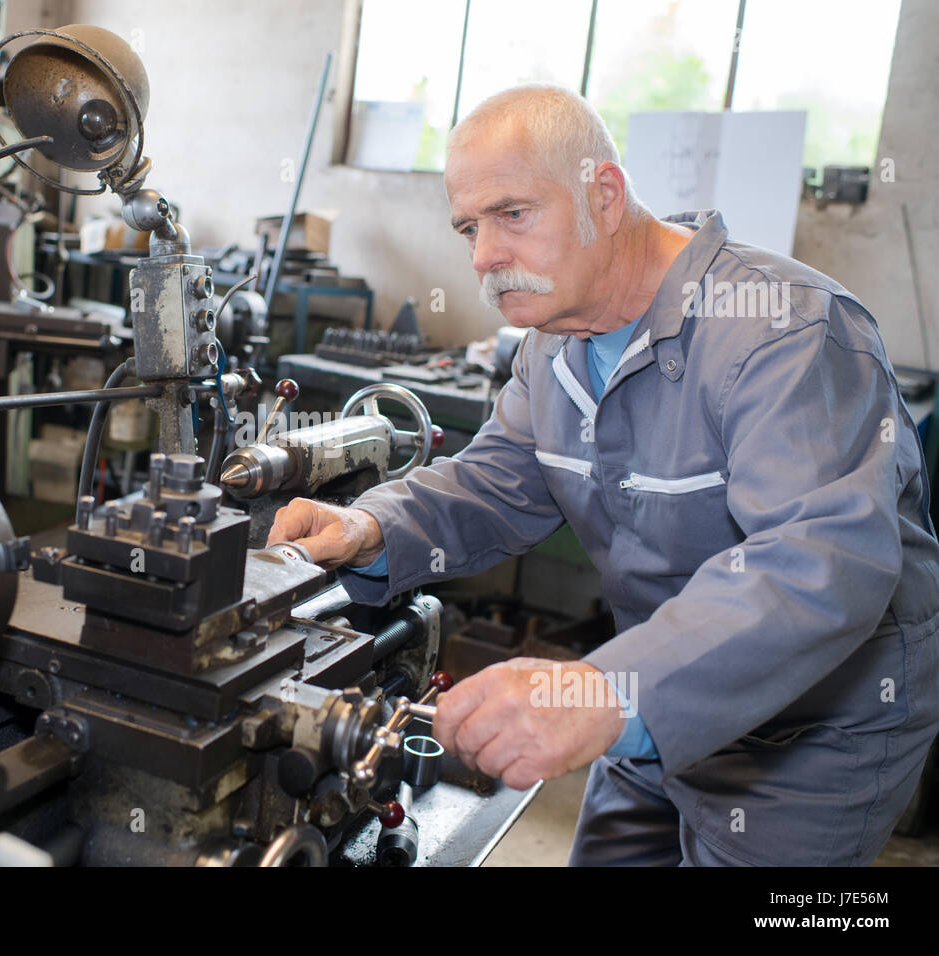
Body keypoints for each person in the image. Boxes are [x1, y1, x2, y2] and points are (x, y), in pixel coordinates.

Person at [267, 84, 939, 866]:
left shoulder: (784, 331)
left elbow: (816, 565)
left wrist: (601, 692)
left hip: (808, 733)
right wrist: (371, 525)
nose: (484, 257)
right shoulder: (555, 345)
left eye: (512, 214)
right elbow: (497, 484)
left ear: (605, 194)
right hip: (649, 692)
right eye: (468, 229)